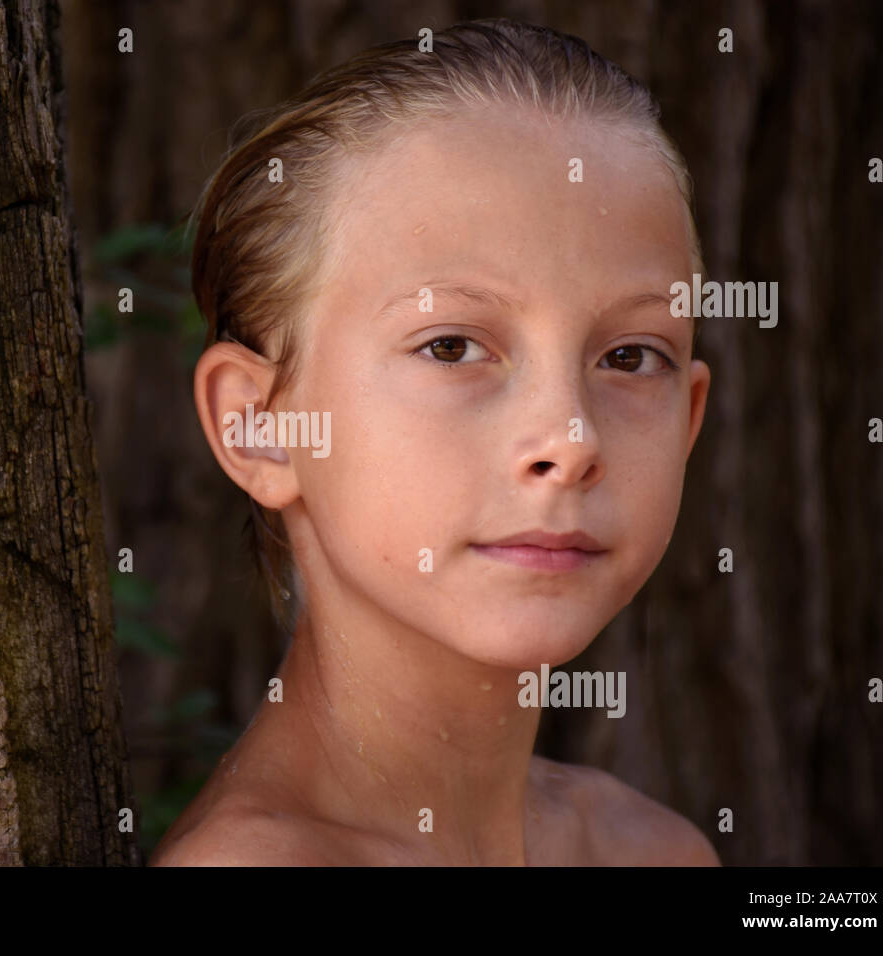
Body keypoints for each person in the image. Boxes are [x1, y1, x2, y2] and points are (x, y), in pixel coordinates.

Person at [151, 17, 718, 866]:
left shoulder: (656, 852)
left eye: (630, 356)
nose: (569, 440)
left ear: (690, 421)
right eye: (451, 346)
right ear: (260, 425)